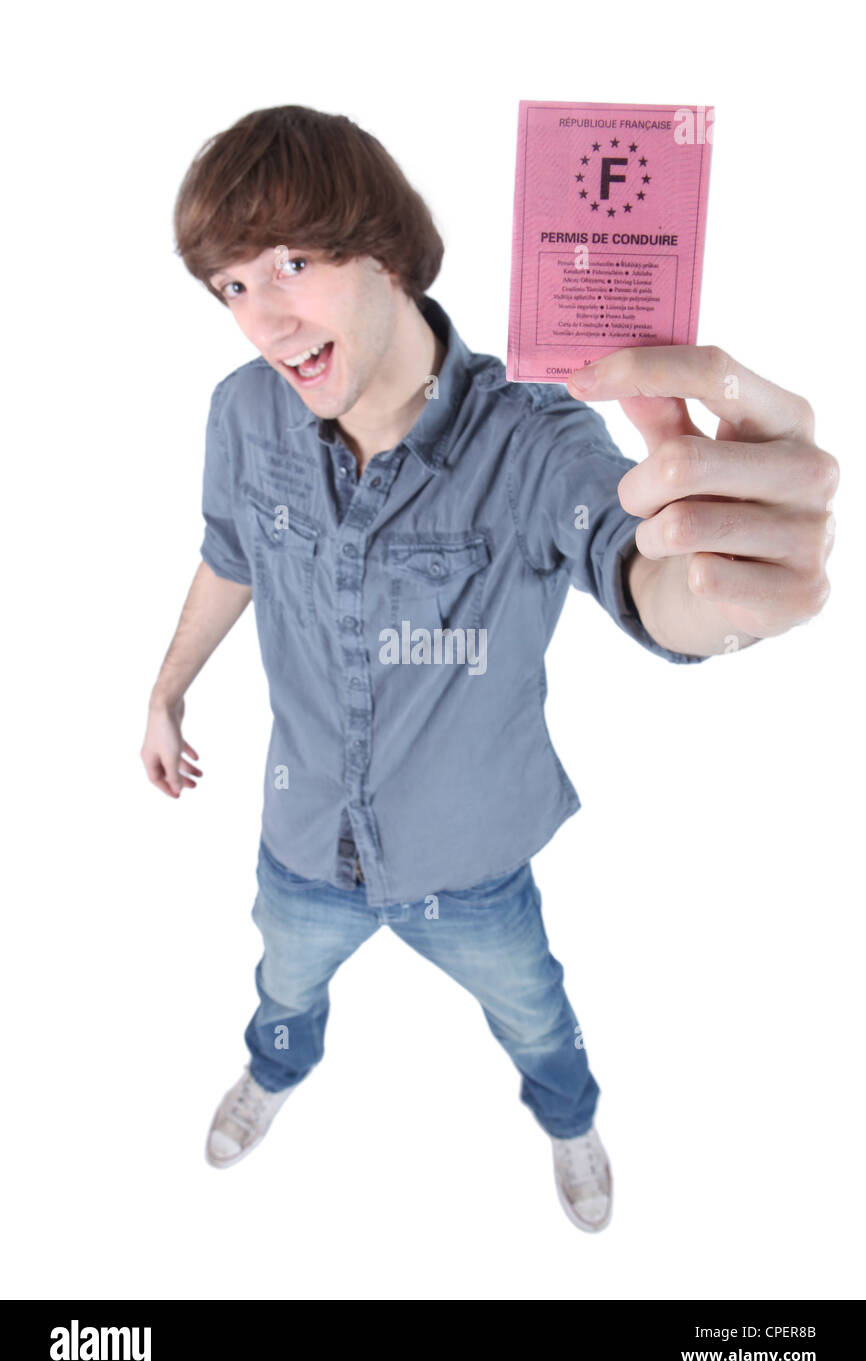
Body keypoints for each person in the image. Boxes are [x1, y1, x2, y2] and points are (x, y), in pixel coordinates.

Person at [141, 105, 838, 1234]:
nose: (260, 319)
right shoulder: (241, 416)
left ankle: (568, 1121)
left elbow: (637, 570)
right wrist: (167, 689)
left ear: (386, 253)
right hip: (306, 843)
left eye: (291, 264)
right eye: (229, 286)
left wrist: (712, 581)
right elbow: (233, 555)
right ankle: (275, 1072)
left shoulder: (532, 440)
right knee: (279, 987)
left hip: (470, 863)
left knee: (535, 1013)